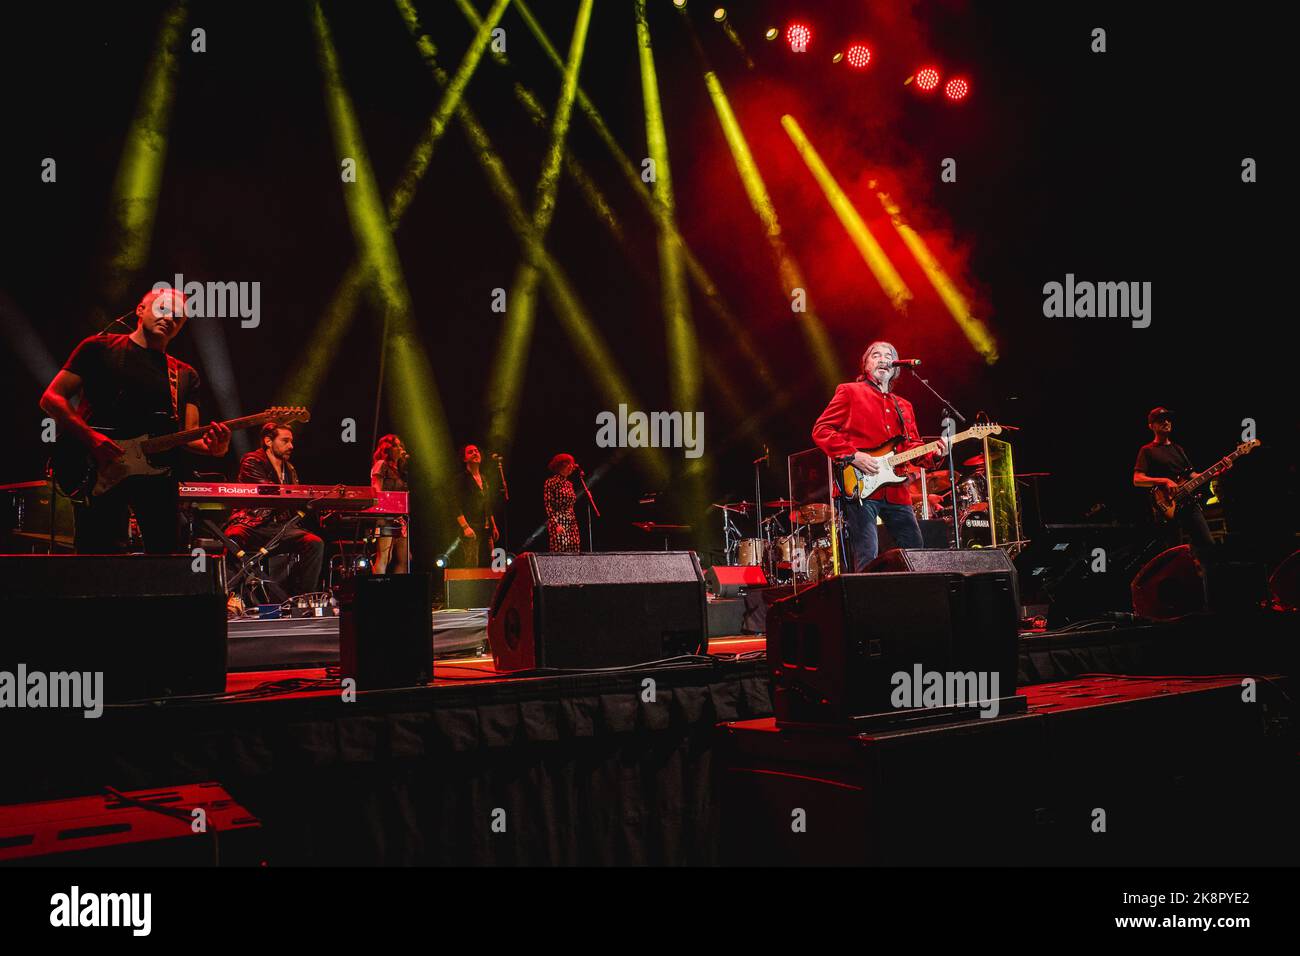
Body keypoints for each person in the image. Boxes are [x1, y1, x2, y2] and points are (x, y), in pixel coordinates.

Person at [39, 286, 231, 553]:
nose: (169, 318)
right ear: (141, 310)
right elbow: (52, 398)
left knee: (164, 558)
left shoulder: (185, 374)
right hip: (100, 468)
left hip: (157, 476)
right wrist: (91, 438)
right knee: (100, 557)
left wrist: (214, 448)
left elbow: (190, 434)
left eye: (178, 317)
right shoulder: (98, 347)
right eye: (163, 309)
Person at [812, 340, 946, 571]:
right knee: (867, 554)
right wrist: (853, 455)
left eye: (889, 356)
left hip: (896, 489)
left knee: (916, 551)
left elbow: (912, 448)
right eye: (876, 355)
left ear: (895, 368)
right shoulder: (850, 392)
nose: (883, 359)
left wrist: (934, 453)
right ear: (865, 365)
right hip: (860, 485)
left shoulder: (903, 405)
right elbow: (821, 430)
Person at [224, 422, 325, 596]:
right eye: (285, 441)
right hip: (251, 524)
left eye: (291, 441)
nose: (291, 446)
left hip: (279, 528)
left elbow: (294, 501)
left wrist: (320, 506)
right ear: (268, 441)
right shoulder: (252, 460)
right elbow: (271, 492)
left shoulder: (290, 469)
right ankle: (231, 596)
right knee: (234, 537)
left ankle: (301, 598)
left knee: (314, 542)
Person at [1132, 407, 1214, 554]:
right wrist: (1164, 480)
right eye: (1161, 420)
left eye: (1168, 419)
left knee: (1207, 546)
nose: (1166, 422)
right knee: (1173, 553)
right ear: (1151, 426)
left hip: (1189, 503)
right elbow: (1137, 479)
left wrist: (1218, 470)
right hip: (1167, 508)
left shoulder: (1178, 449)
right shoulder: (1147, 450)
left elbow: (1192, 475)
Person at [370, 433, 410, 573]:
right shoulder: (381, 465)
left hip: (400, 518)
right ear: (387, 448)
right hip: (385, 517)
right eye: (396, 445)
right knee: (384, 557)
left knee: (403, 559)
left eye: (401, 445)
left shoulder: (400, 471)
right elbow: (376, 491)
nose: (400, 448)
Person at [454, 444, 498, 567]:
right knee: (472, 562)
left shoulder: (484, 478)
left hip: (486, 528)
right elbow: (455, 505)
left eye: (476, 451)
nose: (475, 453)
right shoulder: (461, 479)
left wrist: (493, 526)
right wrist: (465, 527)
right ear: (464, 459)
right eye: (470, 452)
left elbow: (487, 505)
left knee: (493, 562)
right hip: (471, 526)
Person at [544, 453, 581, 553]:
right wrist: (556, 525)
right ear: (561, 465)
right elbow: (548, 505)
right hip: (558, 521)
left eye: (572, 464)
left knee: (574, 548)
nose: (571, 467)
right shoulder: (551, 482)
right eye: (568, 464)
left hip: (571, 520)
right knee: (561, 551)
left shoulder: (569, 484)